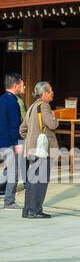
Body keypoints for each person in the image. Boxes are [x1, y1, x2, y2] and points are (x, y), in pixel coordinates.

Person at [20, 81, 58, 219]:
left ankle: (27, 209)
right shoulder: (45, 106)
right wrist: (55, 117)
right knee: (40, 180)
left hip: (32, 149)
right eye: (51, 90)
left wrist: (31, 139)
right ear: (45, 93)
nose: (53, 93)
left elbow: (22, 129)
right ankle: (35, 210)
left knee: (32, 180)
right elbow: (52, 124)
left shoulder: (31, 107)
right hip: (43, 149)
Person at [0, 74, 23, 210]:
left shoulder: (1, 99)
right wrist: (18, 143)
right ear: (15, 85)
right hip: (9, 141)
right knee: (13, 172)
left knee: (7, 170)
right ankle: (9, 201)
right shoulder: (13, 102)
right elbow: (15, 125)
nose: (22, 86)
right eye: (21, 84)